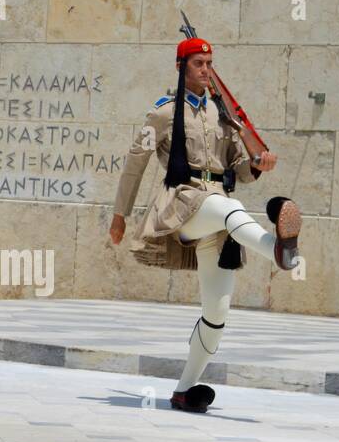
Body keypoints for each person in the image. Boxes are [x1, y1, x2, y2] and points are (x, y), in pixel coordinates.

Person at [110, 36, 301, 412]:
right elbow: (136, 164)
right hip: (184, 202)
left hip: (219, 210)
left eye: (209, 63)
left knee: (217, 312)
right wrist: (120, 214)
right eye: (198, 63)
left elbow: (236, 172)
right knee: (228, 209)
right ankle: (276, 250)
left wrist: (257, 166)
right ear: (181, 68)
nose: (205, 70)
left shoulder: (221, 114)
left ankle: (184, 390)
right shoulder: (164, 112)